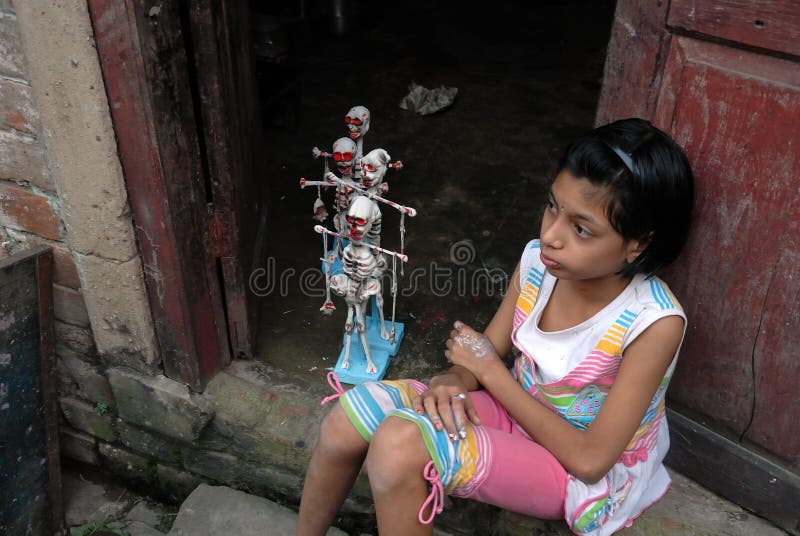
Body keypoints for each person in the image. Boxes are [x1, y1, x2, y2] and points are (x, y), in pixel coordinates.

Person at [297, 118, 695, 536]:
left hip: (579, 471)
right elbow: (486, 350)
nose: (551, 235)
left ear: (638, 243)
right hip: (516, 412)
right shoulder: (538, 263)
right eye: (552, 207)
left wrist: (489, 373)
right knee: (345, 420)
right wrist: (455, 378)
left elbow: (590, 460)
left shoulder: (653, 323)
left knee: (399, 448)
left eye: (581, 229)